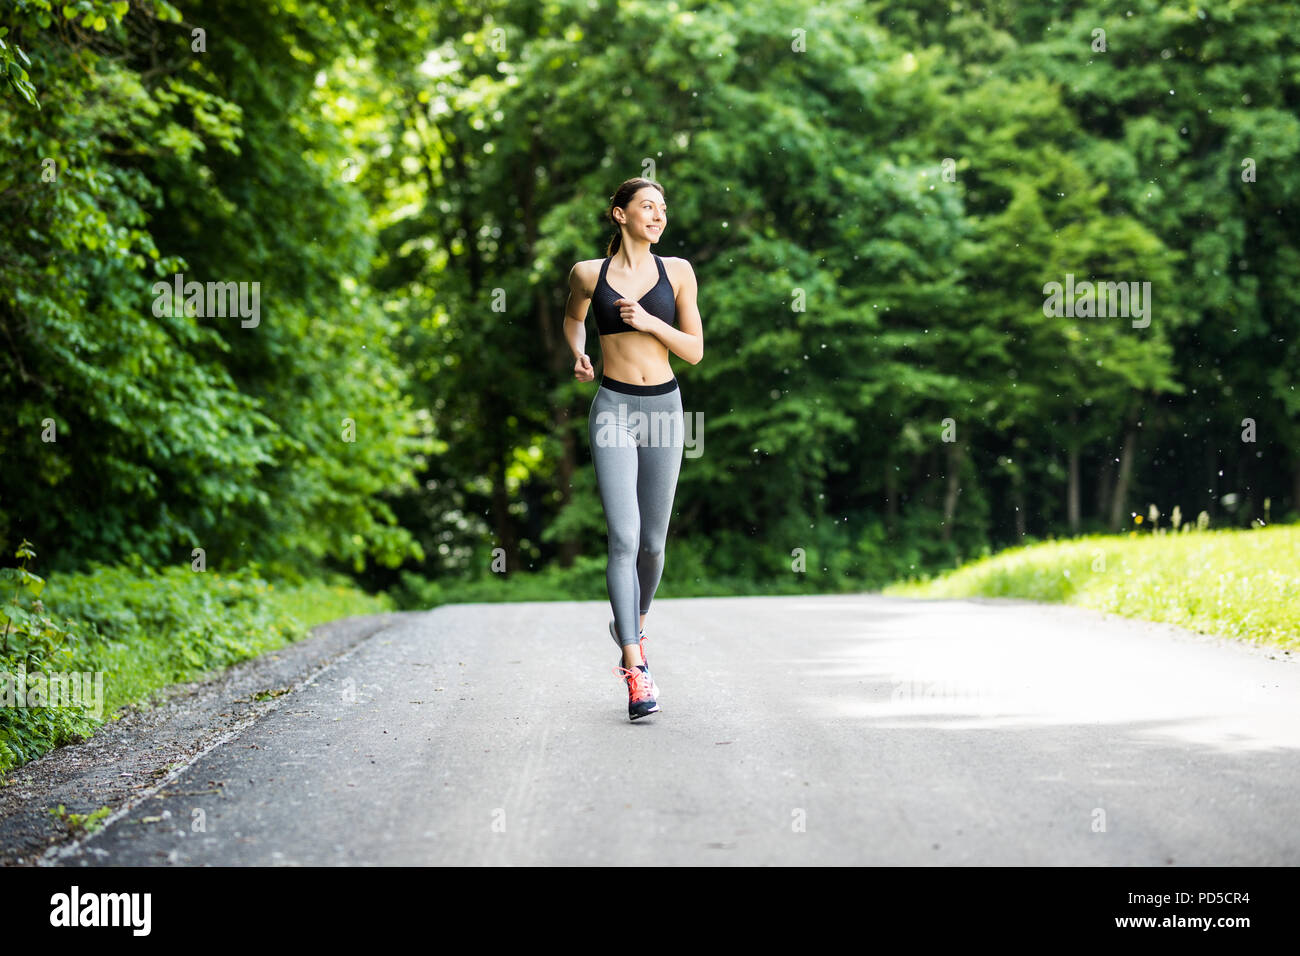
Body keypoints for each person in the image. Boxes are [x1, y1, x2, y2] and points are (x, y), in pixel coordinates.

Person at [563, 177, 704, 720]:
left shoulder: (679, 272)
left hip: (666, 409)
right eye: (648, 206)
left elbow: (693, 350)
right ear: (619, 214)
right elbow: (574, 319)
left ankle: (634, 621)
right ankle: (635, 665)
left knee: (652, 544)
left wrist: (649, 322)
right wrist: (578, 354)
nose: (658, 214)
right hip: (614, 410)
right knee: (622, 537)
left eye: (663, 208)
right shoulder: (587, 274)